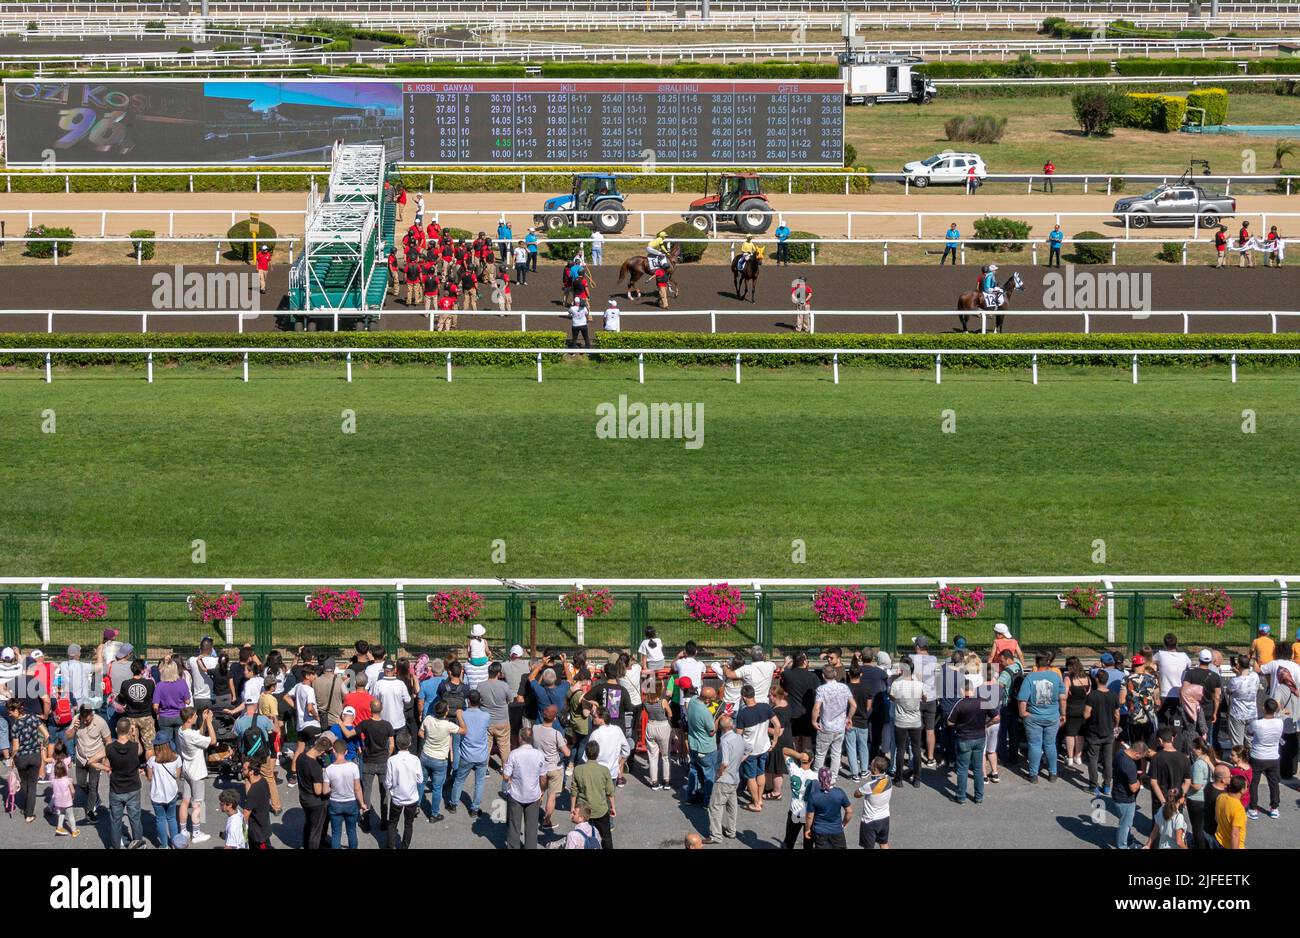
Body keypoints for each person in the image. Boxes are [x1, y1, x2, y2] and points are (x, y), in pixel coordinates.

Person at [1018, 652, 1066, 782]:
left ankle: (1033, 775)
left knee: (1034, 745)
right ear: (1049, 662)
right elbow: (1062, 698)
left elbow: (1022, 699)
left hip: (1033, 717)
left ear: (1036, 662)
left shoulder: (1030, 677)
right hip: (1052, 716)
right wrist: (1063, 714)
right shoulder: (1056, 677)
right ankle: (1053, 773)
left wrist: (1023, 713)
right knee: (1050, 744)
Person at [704, 715, 748, 844]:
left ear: (720, 729)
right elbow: (749, 749)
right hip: (735, 778)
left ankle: (715, 836)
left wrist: (719, 773)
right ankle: (731, 831)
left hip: (725, 779)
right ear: (732, 725)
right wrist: (738, 761)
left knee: (715, 806)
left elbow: (725, 762)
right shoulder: (739, 737)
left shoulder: (724, 741)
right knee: (731, 806)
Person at [417, 699, 463, 822]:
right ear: (445, 712)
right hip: (440, 760)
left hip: (426, 755)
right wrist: (460, 717)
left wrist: (429, 739)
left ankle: (415, 807)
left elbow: (420, 733)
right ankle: (434, 814)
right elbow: (464, 730)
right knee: (437, 788)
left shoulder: (428, 719)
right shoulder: (449, 725)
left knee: (421, 782)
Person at [736, 684, 780, 811]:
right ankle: (760, 799)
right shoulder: (765, 707)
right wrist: (774, 741)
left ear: (743, 697)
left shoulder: (742, 714)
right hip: (764, 746)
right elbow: (777, 724)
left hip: (750, 751)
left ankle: (755, 804)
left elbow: (739, 736)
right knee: (760, 773)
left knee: (750, 777)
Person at [102, 717, 144, 847]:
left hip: (116, 789)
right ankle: (138, 843)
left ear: (116, 730)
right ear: (128, 730)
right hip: (133, 787)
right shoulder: (134, 747)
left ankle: (116, 845)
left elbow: (93, 760)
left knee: (115, 821)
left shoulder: (109, 748)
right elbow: (141, 750)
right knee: (135, 819)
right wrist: (134, 734)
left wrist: (106, 768)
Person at [448, 690, 491, 816]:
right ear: (480, 701)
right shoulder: (486, 716)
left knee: (459, 780)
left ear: (468, 701)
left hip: (467, 754)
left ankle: (453, 804)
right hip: (482, 755)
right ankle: (475, 808)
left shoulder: (463, 715)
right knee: (480, 782)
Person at [503, 727, 546, 849]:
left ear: (520, 738)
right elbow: (543, 778)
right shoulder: (539, 755)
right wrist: (542, 790)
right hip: (533, 796)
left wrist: (510, 779)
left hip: (516, 795)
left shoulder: (514, 754)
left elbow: (506, 776)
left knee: (514, 827)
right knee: (532, 828)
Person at [1147, 727, 1191, 847]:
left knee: (1157, 829)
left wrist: (1163, 801)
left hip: (1160, 802)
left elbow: (1153, 782)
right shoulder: (1184, 758)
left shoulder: (1156, 758)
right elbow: (1187, 781)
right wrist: (1181, 794)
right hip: (1177, 801)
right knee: (1179, 830)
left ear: (1160, 741)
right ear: (1172, 739)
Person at [948, 674, 988, 804]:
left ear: (962, 690)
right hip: (980, 737)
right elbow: (996, 717)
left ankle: (961, 797)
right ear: (973, 689)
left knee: (962, 769)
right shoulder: (983, 701)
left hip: (964, 738)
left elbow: (949, 722)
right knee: (978, 769)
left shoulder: (959, 704)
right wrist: (987, 724)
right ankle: (979, 796)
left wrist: (959, 724)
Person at [67, 704, 111, 822]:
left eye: (87, 719)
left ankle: (90, 811)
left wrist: (107, 759)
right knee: (81, 784)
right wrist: (74, 729)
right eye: (83, 719)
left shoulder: (101, 722)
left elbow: (108, 741)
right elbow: (68, 736)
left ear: (92, 714)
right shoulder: (77, 719)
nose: (85, 722)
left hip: (95, 759)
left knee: (93, 787)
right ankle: (96, 798)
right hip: (81, 758)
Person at [570, 740, 616, 849]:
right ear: (598, 753)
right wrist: (613, 807)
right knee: (606, 837)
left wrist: (572, 807)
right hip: (600, 809)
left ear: (585, 753)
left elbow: (574, 790)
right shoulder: (604, 770)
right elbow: (610, 792)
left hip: (584, 810)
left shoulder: (578, 769)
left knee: (584, 836)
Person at [324, 737, 367, 849]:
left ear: (333, 751)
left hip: (335, 803)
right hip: (351, 803)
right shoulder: (353, 767)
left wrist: (333, 788)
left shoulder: (329, 769)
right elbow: (357, 788)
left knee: (336, 833)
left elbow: (325, 790)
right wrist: (362, 803)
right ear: (346, 751)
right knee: (352, 831)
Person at [812, 664, 854, 778]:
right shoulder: (844, 687)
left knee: (821, 754)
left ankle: (817, 777)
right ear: (835, 674)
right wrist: (848, 718)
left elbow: (816, 707)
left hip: (825, 726)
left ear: (823, 675)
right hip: (840, 727)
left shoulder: (821, 689)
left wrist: (814, 721)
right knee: (836, 753)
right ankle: (833, 778)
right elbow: (853, 705)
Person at [1083, 668, 1119, 796]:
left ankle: (1094, 786)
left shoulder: (1092, 695)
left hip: (1094, 732)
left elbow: (1086, 714)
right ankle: (1107, 786)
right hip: (1109, 731)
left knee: (1093, 759)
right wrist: (1115, 725)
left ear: (1096, 679)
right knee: (1108, 760)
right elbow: (1117, 714)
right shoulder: (1113, 695)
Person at [383, 730, 421, 849]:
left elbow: (388, 782)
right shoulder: (415, 759)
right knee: (408, 824)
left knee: (393, 823)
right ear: (409, 744)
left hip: (397, 798)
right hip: (412, 798)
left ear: (397, 744)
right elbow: (420, 779)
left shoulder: (392, 760)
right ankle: (405, 846)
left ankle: (390, 846)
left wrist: (391, 787)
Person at [1246, 697, 1283, 819]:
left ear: (1263, 708)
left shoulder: (1257, 723)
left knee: (1254, 783)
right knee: (1274, 783)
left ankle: (1253, 808)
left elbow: (1249, 732)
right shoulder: (1280, 722)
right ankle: (1274, 808)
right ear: (1275, 710)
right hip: (1273, 756)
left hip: (1258, 756)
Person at [890, 661, 925, 787]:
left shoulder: (896, 684)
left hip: (900, 721)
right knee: (916, 749)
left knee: (900, 749)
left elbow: (892, 698)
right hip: (915, 721)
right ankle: (917, 779)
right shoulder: (920, 684)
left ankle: (898, 779)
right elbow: (925, 697)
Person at [804, 766, 852, 849]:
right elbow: (849, 811)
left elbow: (809, 816)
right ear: (830, 778)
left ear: (819, 779)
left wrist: (807, 829)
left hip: (820, 831)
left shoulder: (814, 796)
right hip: (836, 830)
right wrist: (843, 824)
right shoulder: (840, 793)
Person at [910, 637, 940, 766]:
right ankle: (930, 757)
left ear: (917, 647)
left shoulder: (911, 658)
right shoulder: (934, 660)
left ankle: (915, 755)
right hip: (931, 698)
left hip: (916, 697)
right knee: (930, 729)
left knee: (915, 728)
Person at [1112, 740, 1148, 849]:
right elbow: (1133, 788)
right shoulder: (1130, 765)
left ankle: (1128, 842)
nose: (1140, 759)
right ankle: (1122, 846)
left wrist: (1132, 775)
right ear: (1137, 753)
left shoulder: (1120, 753)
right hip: (1125, 799)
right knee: (1125, 825)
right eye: (1141, 757)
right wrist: (1139, 780)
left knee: (1125, 822)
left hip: (1117, 793)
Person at [853, 756, 893, 849]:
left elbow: (856, 794)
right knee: (884, 844)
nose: (870, 766)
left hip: (870, 821)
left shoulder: (870, 786)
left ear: (875, 769)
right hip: (884, 818)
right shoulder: (888, 779)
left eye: (871, 765)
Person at [1061, 657, 1091, 771]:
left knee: (1070, 734)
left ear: (1069, 666)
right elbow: (1088, 693)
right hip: (1083, 710)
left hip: (1071, 709)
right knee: (1080, 734)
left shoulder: (1068, 678)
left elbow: (1064, 697)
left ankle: (1069, 757)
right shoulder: (1087, 678)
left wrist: (1062, 712)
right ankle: (1078, 756)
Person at [1215, 775, 1248, 849]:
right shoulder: (1239, 809)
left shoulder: (1221, 797)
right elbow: (1235, 834)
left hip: (1218, 839)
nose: (1247, 788)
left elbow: (1217, 818)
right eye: (1246, 787)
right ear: (1242, 790)